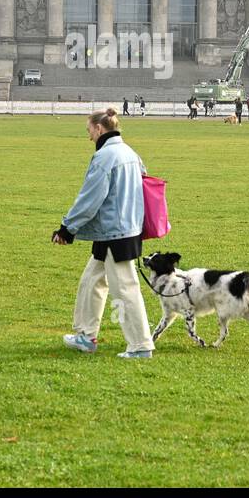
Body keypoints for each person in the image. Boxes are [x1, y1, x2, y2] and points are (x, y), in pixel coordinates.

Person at [55, 108, 154, 359]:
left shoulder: (105, 157)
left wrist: (67, 228)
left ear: (99, 129)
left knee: (125, 289)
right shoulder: (130, 152)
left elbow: (90, 199)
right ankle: (86, 336)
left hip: (115, 232)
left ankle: (141, 345)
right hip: (121, 228)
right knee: (91, 282)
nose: (88, 136)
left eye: (89, 131)